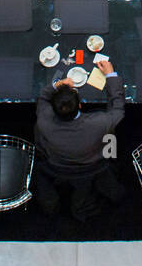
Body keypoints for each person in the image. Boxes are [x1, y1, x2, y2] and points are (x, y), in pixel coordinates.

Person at [32, 58, 127, 220]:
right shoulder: (99, 123)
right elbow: (118, 110)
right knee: (111, 136)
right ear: (81, 105)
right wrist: (111, 75)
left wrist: (58, 85)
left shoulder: (43, 119)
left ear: (53, 109)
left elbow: (42, 96)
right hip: (95, 164)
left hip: (57, 166)